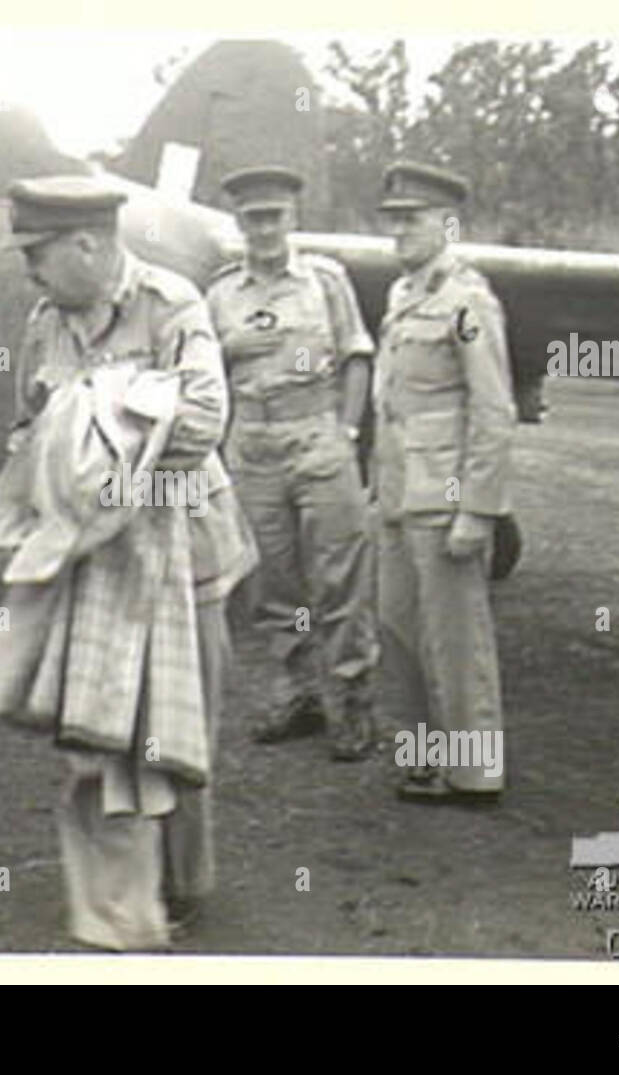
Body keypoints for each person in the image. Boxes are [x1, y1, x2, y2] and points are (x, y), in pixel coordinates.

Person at [0, 175, 255, 948]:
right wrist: (59, 458)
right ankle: (123, 885)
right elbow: (31, 423)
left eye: (38, 255)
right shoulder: (44, 320)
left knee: (181, 722)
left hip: (183, 542)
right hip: (96, 554)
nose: (30, 272)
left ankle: (184, 881)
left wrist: (99, 429)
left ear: (88, 244)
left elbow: (201, 422)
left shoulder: (172, 303)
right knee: (99, 719)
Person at [206, 166, 376, 761]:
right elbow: (201, 377)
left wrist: (348, 431)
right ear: (239, 223)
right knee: (274, 583)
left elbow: (356, 355)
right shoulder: (222, 293)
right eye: (253, 218)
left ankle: (352, 696)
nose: (265, 229)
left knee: (339, 574)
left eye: (274, 216)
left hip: (316, 434)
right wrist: (228, 350)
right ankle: (298, 689)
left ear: (292, 218)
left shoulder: (325, 281)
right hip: (253, 444)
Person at [373, 161, 516, 803]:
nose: (399, 230)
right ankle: (426, 757)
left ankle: (474, 773)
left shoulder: (468, 301)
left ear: (448, 225)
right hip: (399, 492)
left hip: (444, 494)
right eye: (393, 219)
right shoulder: (403, 296)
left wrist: (478, 510)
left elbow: (493, 410)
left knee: (456, 636)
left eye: (413, 218)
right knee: (399, 629)